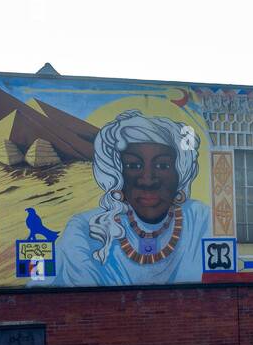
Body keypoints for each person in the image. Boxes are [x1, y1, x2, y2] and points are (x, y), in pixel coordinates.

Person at [53, 110, 210, 286]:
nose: (148, 180)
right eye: (133, 165)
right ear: (116, 173)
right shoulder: (84, 230)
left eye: (163, 165)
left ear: (180, 173)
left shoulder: (201, 219)